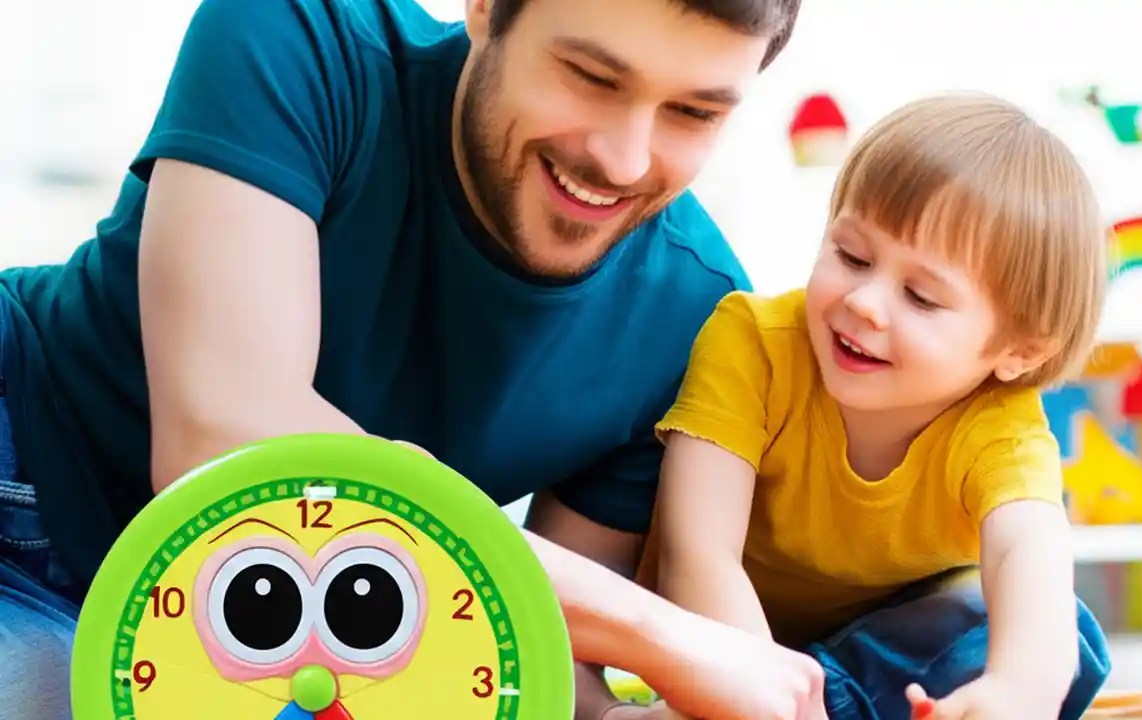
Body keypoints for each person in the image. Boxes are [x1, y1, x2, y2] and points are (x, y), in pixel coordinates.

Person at [0, 0, 824, 717]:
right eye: (591, 77)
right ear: (486, 8)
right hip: (24, 466)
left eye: (693, 113)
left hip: (273, 645)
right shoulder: (300, 33)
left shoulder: (694, 316)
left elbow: (544, 630)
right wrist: (668, 636)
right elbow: (224, 448)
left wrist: (612, 713)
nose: (624, 159)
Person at [640, 94, 1114, 719]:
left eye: (921, 297)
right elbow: (697, 552)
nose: (864, 302)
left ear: (1018, 351)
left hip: (885, 655)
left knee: (1062, 632)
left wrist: (1018, 691)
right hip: (732, 637)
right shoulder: (752, 343)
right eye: (852, 256)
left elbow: (1027, 548)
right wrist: (767, 693)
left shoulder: (1000, 426)